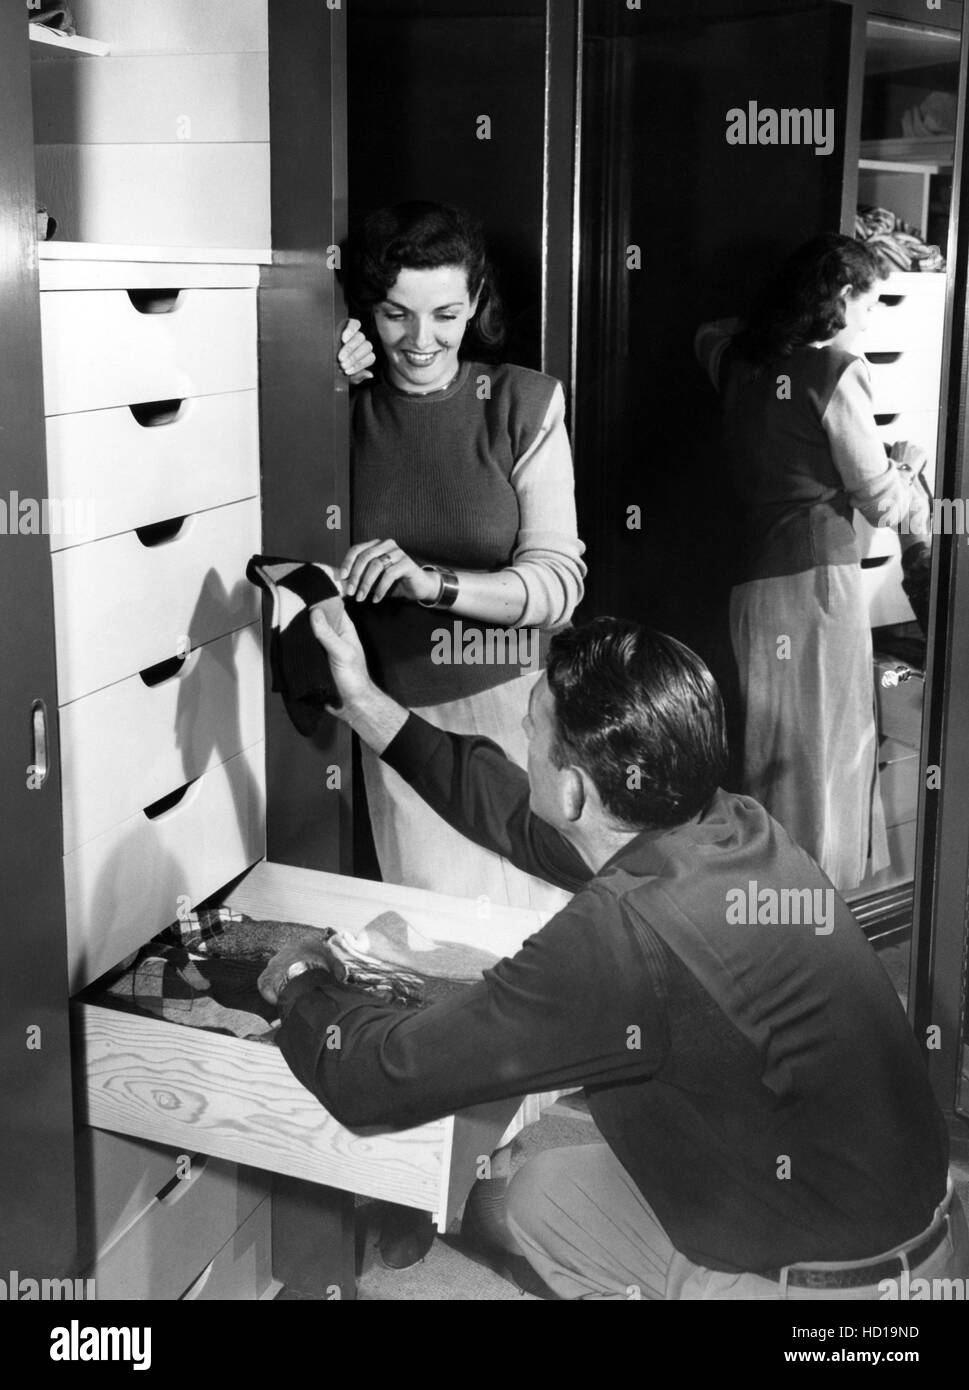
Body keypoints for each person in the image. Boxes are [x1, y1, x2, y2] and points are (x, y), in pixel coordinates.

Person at [258, 604, 967, 1301]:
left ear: (571, 790)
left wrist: (300, 977)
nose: (521, 744)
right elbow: (511, 813)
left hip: (838, 1301)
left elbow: (377, 1075)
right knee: (540, 1197)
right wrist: (362, 703)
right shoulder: (725, 826)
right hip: (889, 1228)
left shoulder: (621, 941)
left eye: (528, 731)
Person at [336, 200, 586, 914]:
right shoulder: (336, 409)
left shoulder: (521, 402)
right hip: (399, 718)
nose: (421, 339)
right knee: (442, 945)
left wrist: (429, 584)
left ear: (475, 302)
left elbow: (558, 585)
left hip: (526, 710)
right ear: (364, 313)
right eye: (394, 314)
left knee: (549, 928)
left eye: (445, 314)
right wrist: (309, 362)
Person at [695, 234, 932, 890]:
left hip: (753, 583)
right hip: (818, 578)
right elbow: (880, 501)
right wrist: (908, 461)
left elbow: (706, 333)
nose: (867, 318)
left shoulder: (735, 364)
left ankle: (770, 891)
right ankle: (821, 902)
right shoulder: (837, 371)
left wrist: (775, 321)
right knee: (831, 748)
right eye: (866, 300)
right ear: (838, 296)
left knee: (772, 750)